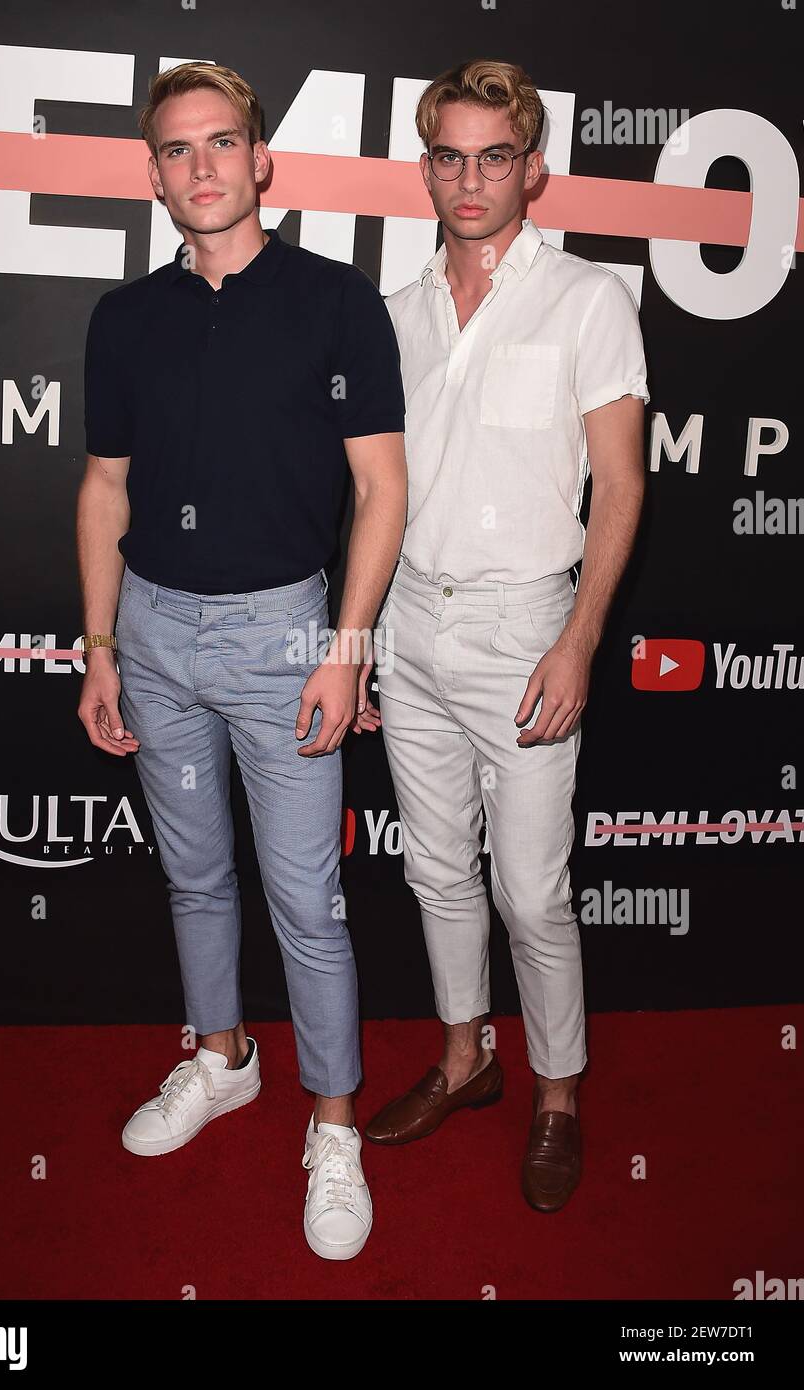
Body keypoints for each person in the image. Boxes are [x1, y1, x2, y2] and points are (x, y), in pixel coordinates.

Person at [76, 61, 406, 1258]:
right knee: (196, 879)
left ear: (261, 159)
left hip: (286, 636)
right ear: (153, 173)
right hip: (153, 632)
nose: (202, 165)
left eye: (222, 142)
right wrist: (104, 645)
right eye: (177, 148)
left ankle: (333, 1123)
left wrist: (346, 650)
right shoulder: (125, 319)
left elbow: (381, 488)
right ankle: (221, 1057)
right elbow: (103, 487)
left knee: (307, 900)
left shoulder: (336, 302)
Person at [362, 59, 649, 1212]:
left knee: (531, 891)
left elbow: (620, 490)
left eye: (493, 157)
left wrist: (579, 638)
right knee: (436, 870)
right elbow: (376, 495)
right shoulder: (394, 312)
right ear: (424, 167)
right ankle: (463, 1058)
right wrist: (357, 640)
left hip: (528, 623)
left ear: (534, 169)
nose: (468, 179)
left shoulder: (589, 298)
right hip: (407, 622)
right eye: (447, 155)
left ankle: (558, 1091)